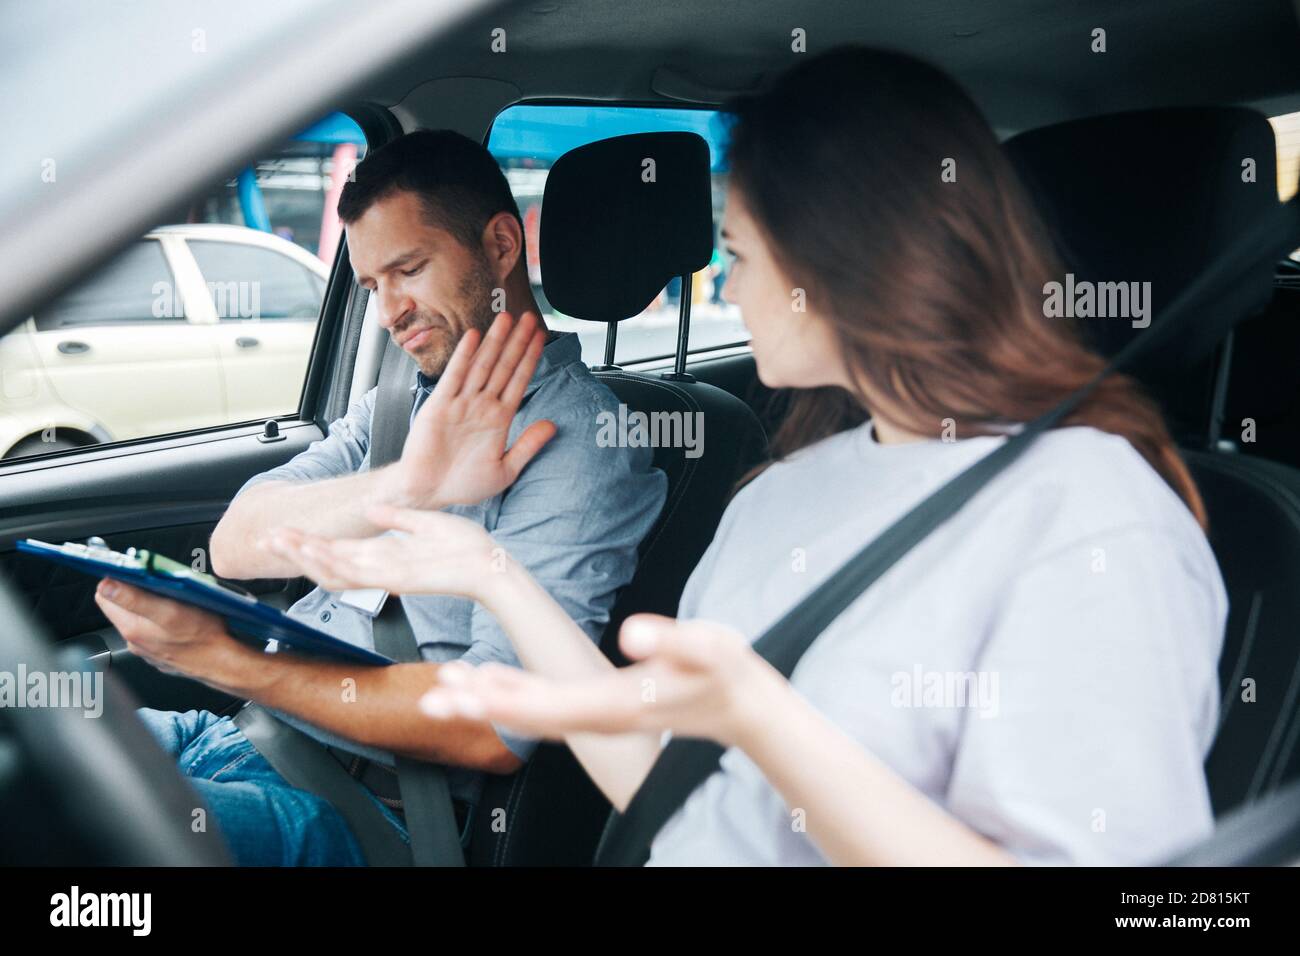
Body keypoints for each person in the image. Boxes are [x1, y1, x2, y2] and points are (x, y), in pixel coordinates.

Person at [266, 48, 1227, 866]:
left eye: (741, 248)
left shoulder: (1088, 512)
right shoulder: (777, 497)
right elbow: (674, 792)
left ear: (844, 254)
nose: (729, 280)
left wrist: (766, 722)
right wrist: (490, 577)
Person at [92, 129, 667, 865]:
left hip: (366, 812)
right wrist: (410, 483)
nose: (389, 311)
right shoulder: (399, 401)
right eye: (371, 286)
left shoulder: (580, 441)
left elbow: (492, 729)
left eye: (409, 269)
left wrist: (225, 663)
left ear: (499, 247)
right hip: (243, 735)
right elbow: (238, 542)